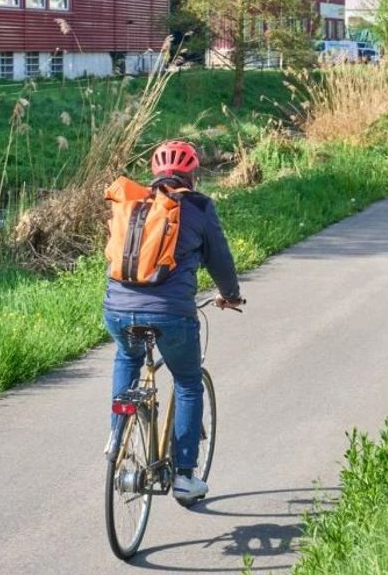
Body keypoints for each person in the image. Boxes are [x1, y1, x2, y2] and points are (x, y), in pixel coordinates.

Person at [104, 139, 244, 504]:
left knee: (128, 358)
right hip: (171, 315)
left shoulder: (133, 203)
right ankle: (184, 476)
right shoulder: (197, 207)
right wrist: (230, 294)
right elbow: (221, 262)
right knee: (187, 381)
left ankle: (116, 440)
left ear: (155, 173)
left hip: (117, 309)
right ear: (192, 174)